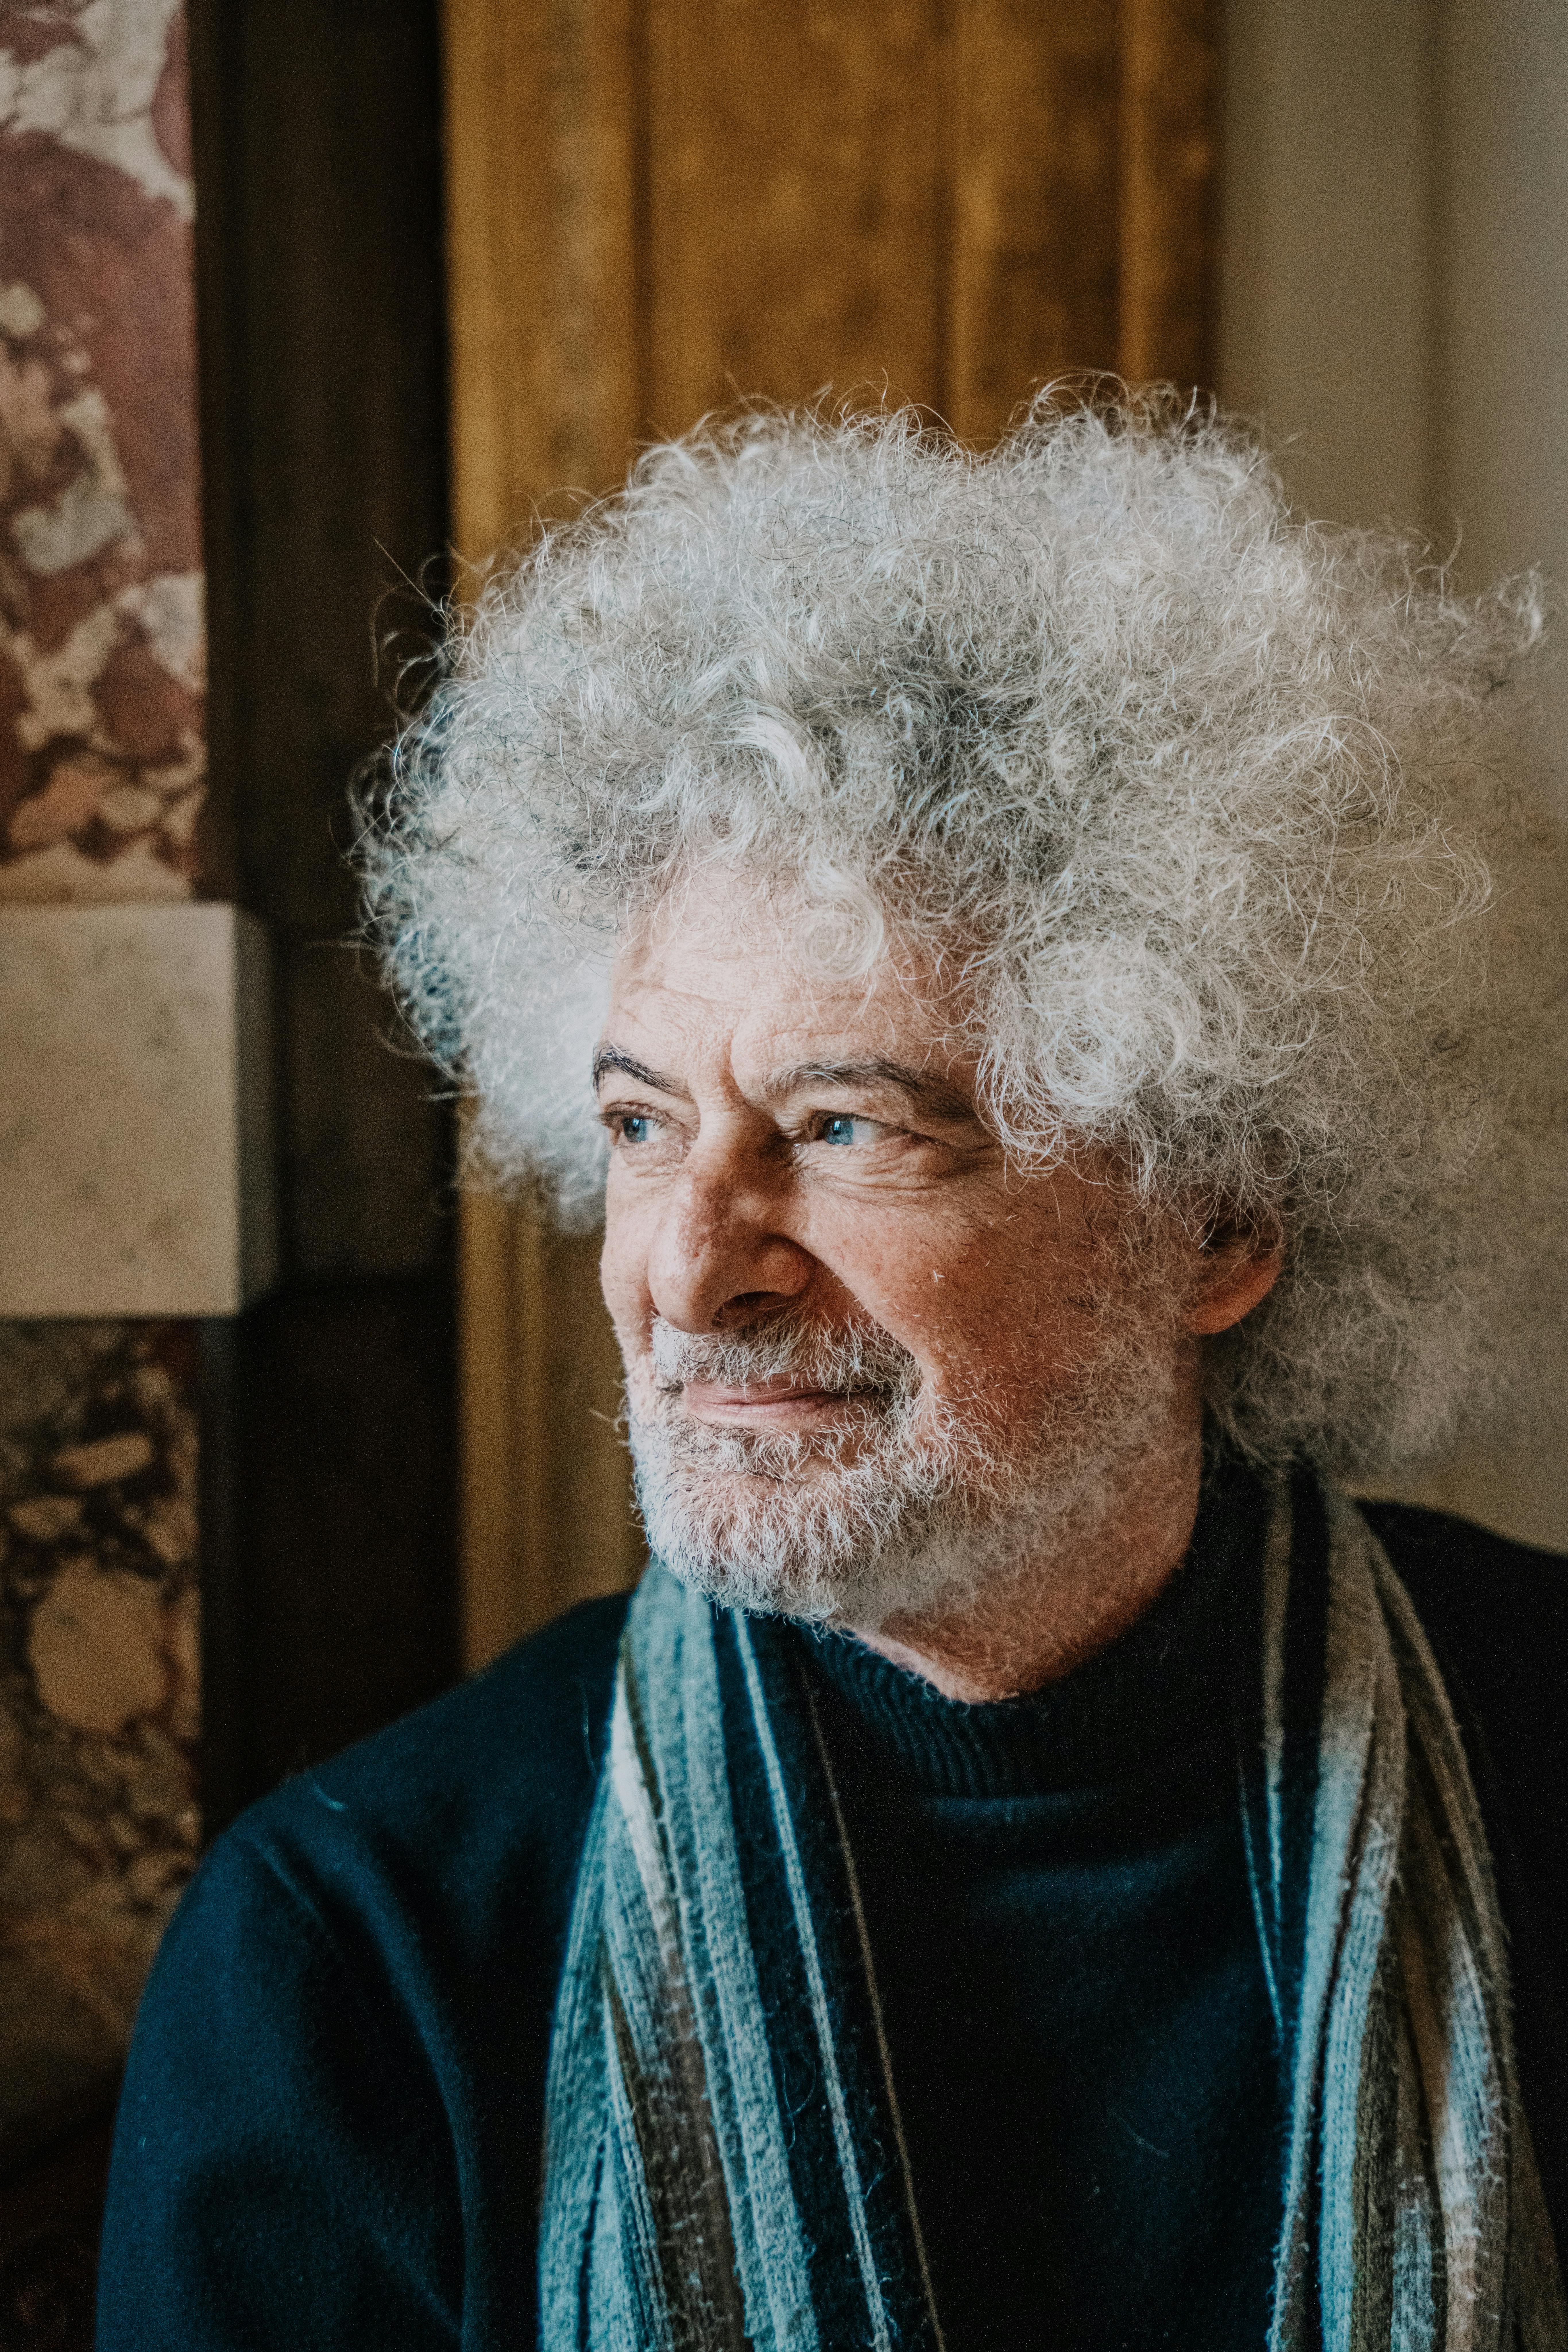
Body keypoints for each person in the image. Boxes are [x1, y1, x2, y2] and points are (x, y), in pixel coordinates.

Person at [96, 393, 1568, 2351]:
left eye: (851, 1127)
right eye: (638, 1126)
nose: (689, 1271)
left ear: (1216, 1227)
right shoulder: (362, 1957)